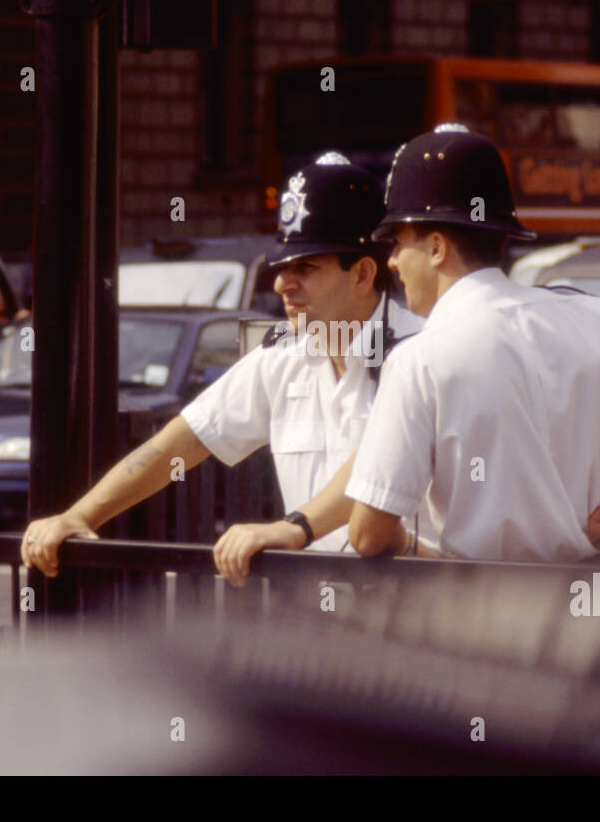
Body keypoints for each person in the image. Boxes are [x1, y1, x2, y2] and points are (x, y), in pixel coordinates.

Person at [345, 124, 600, 562]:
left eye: (400, 242)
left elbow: (368, 536)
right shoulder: (597, 320)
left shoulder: (418, 359)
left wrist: (413, 548)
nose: (393, 260)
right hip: (587, 607)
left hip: (473, 610)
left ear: (437, 247)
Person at [21, 153, 425, 586]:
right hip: (319, 621)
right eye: (282, 267)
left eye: (305, 267)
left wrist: (293, 527)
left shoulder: (421, 353)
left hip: (411, 615)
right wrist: (80, 516)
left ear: (363, 274)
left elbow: (376, 465)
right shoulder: (282, 358)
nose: (281, 284)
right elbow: (184, 440)